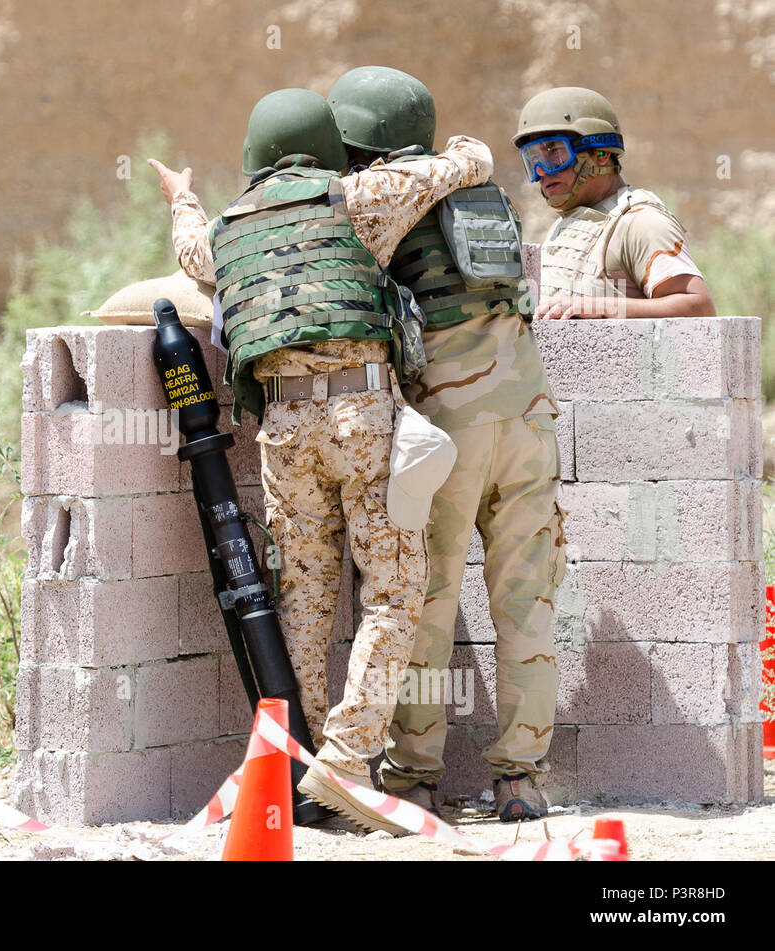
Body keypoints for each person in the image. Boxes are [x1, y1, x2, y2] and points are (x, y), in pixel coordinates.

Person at [149, 87, 492, 833]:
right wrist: (470, 151)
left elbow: (189, 250)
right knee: (394, 591)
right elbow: (453, 171)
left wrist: (181, 196)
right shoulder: (356, 196)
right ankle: (346, 760)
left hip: (281, 427)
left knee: (302, 602)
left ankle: (302, 771)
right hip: (360, 415)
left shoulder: (228, 230)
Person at [327, 67, 568, 823]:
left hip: (448, 427)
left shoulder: (383, 202)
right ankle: (521, 780)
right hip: (527, 417)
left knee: (425, 602)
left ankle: (414, 777)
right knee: (527, 603)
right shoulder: (484, 192)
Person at [513, 86, 716, 319]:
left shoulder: (640, 222)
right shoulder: (567, 225)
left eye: (555, 153)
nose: (542, 171)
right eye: (533, 158)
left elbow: (698, 307)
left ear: (601, 154)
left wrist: (598, 307)